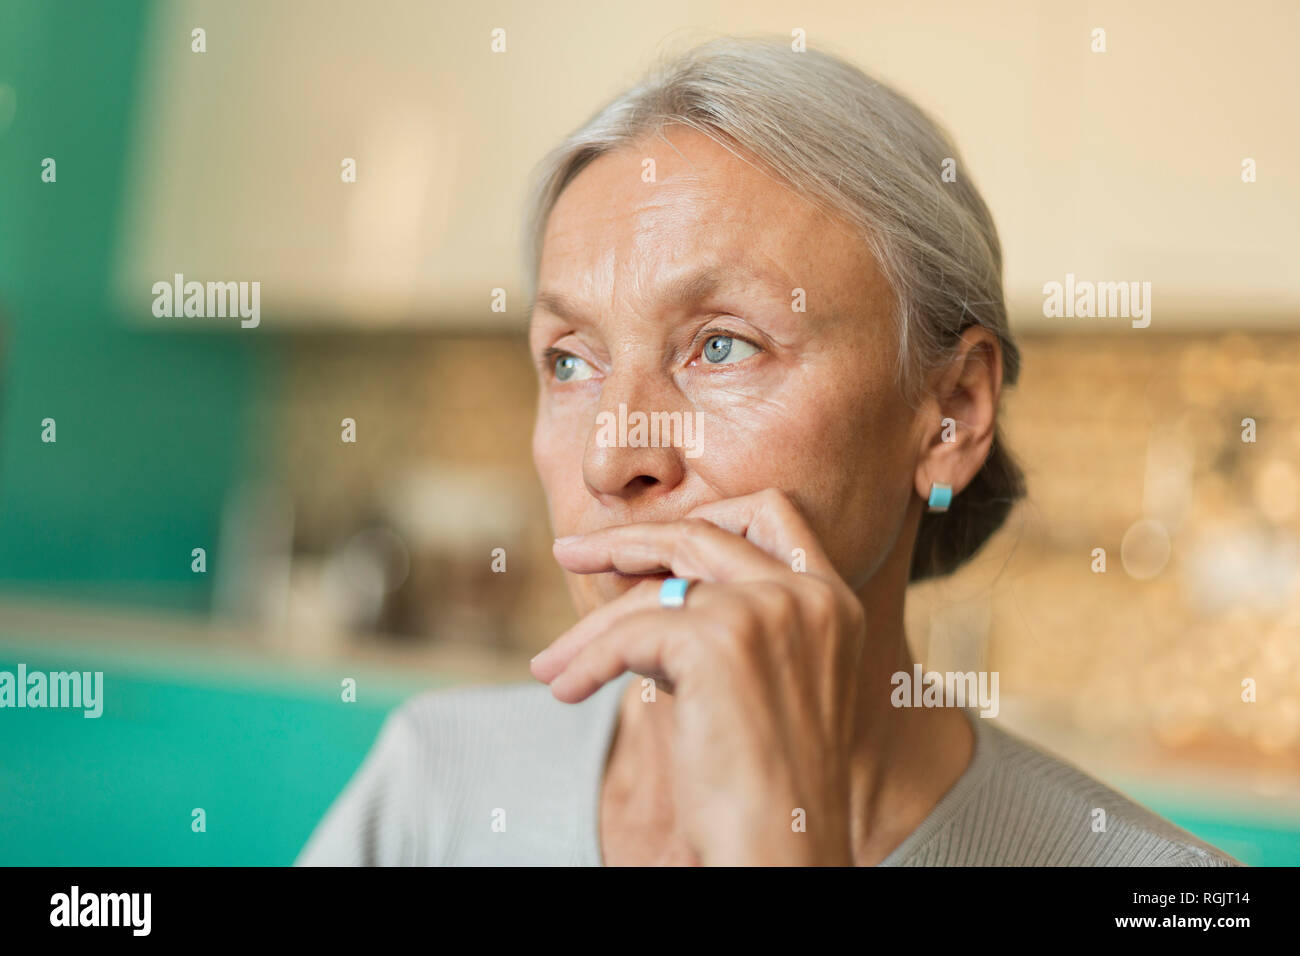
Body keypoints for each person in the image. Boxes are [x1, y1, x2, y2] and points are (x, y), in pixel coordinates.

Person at [296, 36, 1239, 867]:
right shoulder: (435, 785)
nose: (611, 461)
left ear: (951, 414)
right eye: (570, 360)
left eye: (721, 345)